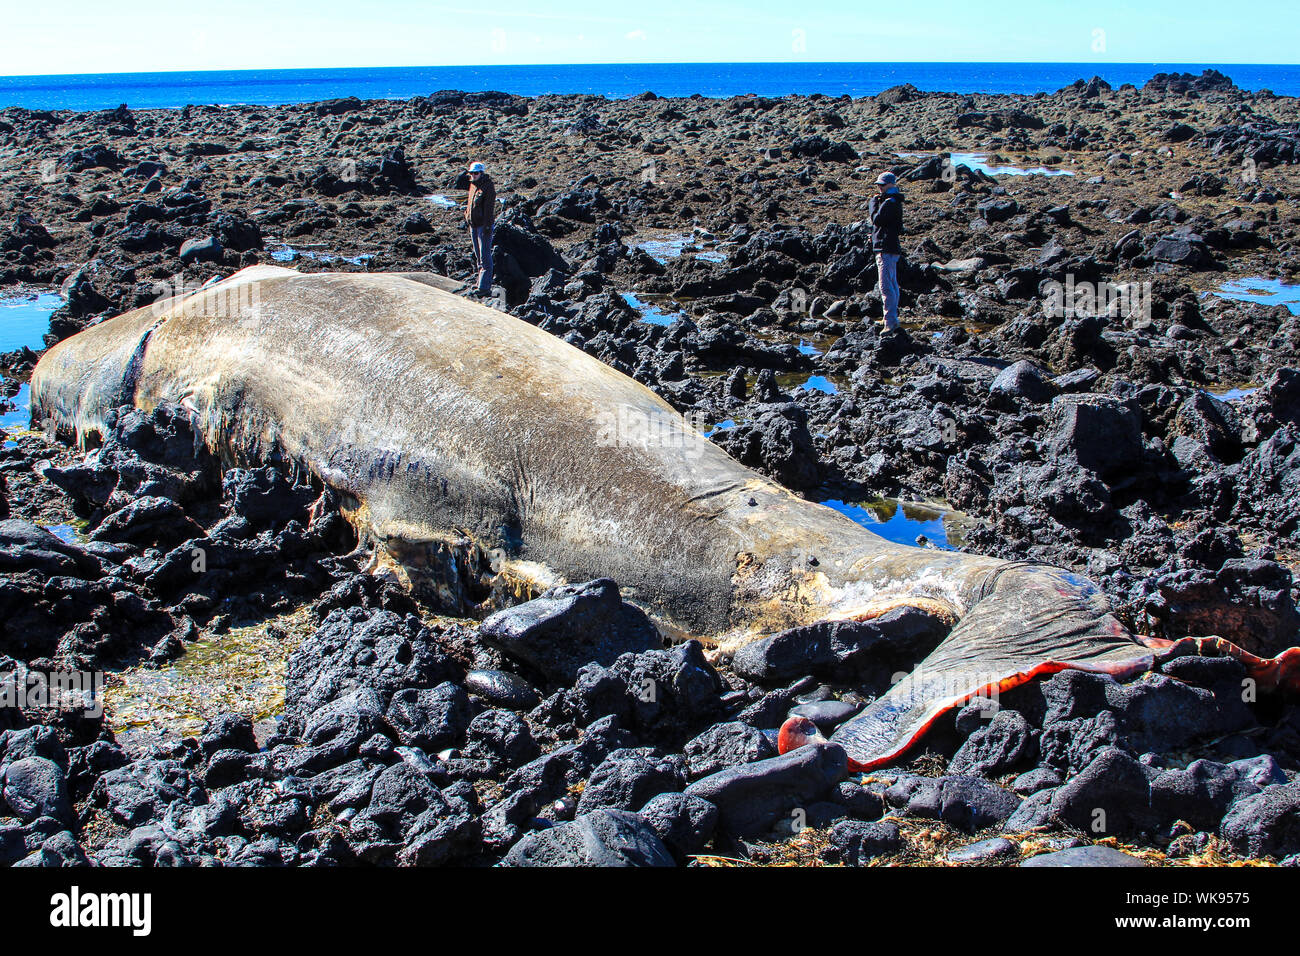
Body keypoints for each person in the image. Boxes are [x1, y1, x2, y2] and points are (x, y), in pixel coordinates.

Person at [869, 171, 904, 330]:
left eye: (882, 185)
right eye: (879, 185)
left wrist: (873, 203)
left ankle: (890, 322)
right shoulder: (893, 201)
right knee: (892, 284)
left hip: (886, 248)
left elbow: (877, 219)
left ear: (891, 185)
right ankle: (889, 318)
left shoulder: (890, 202)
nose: (880, 188)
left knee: (886, 286)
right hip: (889, 247)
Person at [465, 161, 497, 295]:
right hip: (473, 224)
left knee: (485, 256)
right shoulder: (473, 185)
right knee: (478, 256)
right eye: (471, 173)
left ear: (482, 173)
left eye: (476, 173)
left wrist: (488, 226)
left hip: (483, 226)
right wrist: (467, 216)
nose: (473, 175)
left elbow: (489, 210)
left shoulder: (488, 187)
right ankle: (480, 283)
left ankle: (484, 287)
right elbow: (470, 204)